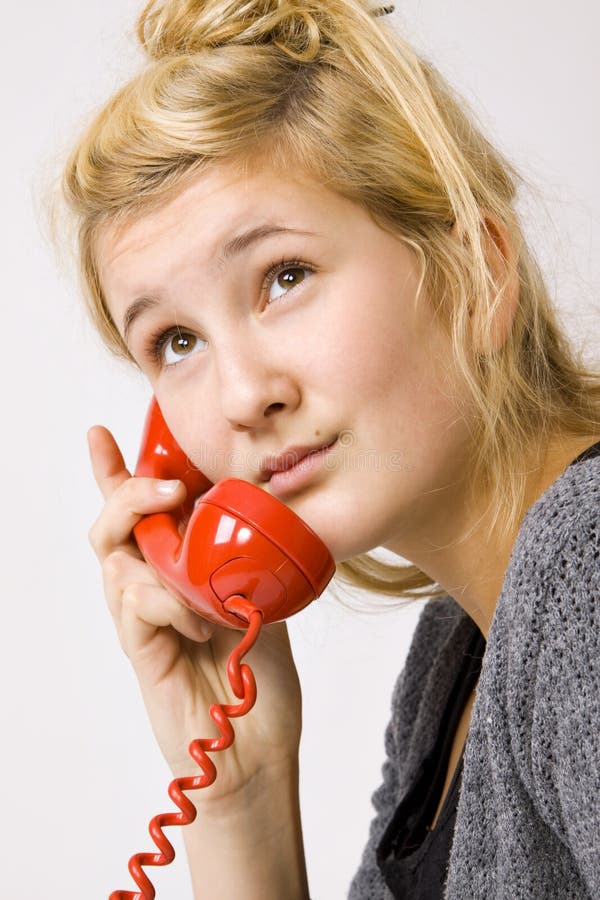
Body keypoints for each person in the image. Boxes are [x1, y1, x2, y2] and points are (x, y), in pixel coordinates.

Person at [58, 0, 600, 896]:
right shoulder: (455, 656)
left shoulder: (582, 565)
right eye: (176, 342)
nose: (242, 397)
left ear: (478, 273)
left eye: (284, 276)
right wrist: (241, 792)